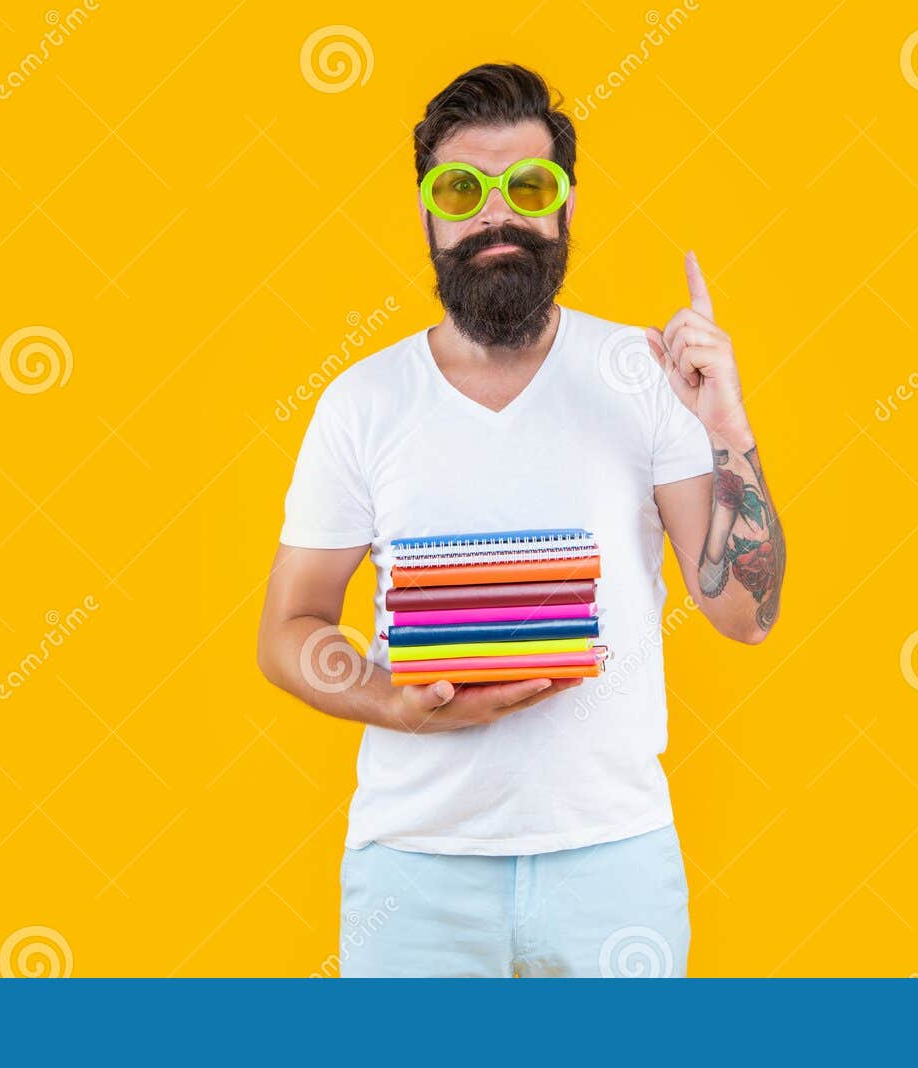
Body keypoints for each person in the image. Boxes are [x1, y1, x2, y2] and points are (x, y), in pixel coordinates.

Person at [257, 62, 786, 977]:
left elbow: (749, 614)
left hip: (614, 860)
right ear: (428, 215)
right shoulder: (362, 402)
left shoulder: (647, 373)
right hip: (413, 870)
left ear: (566, 211)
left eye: (527, 187)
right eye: (462, 187)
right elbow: (287, 628)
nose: (495, 213)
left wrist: (726, 424)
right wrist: (391, 704)